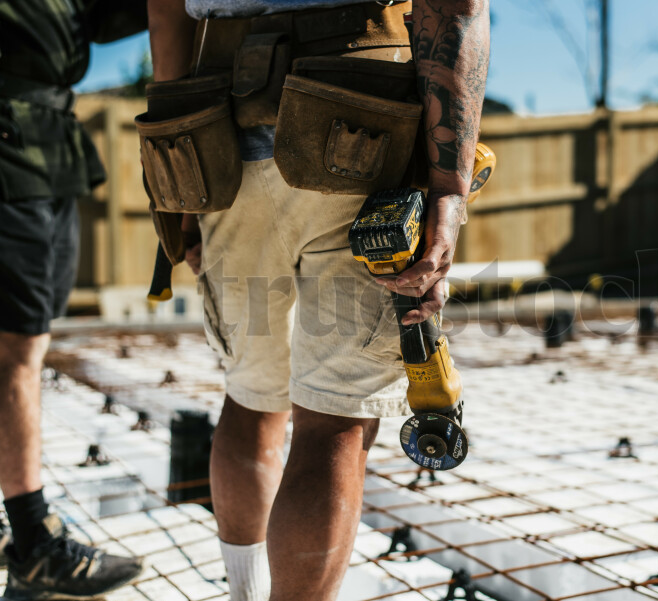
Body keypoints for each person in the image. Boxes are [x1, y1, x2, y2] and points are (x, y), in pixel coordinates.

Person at [146, 0, 489, 600]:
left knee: (250, 401)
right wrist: (448, 190)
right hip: (362, 118)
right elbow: (454, 9)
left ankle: (243, 594)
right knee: (333, 423)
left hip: (221, 129)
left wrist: (176, 169)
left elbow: (166, 10)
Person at [0, 1, 146, 599]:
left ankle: (33, 547)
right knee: (16, 350)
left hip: (47, 150)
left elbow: (105, 15)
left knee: (26, 347)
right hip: (13, 153)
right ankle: (33, 543)